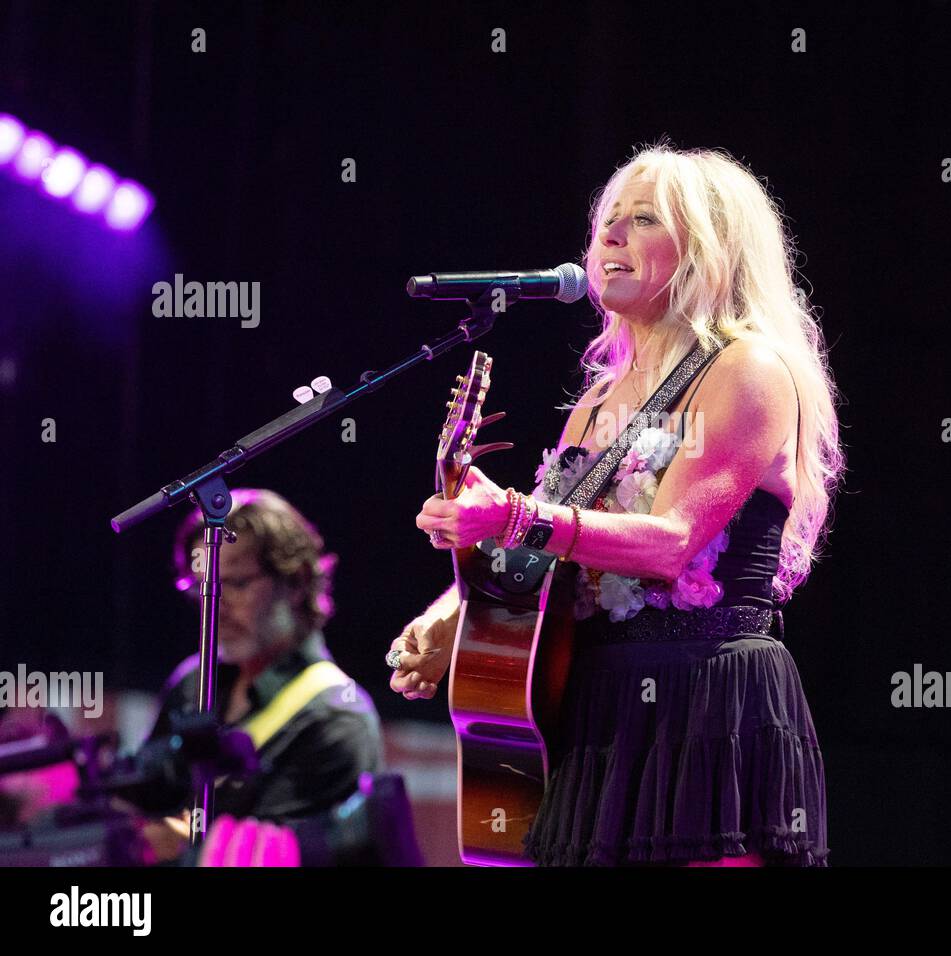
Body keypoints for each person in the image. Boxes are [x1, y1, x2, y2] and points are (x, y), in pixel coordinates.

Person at [391, 143, 845, 867]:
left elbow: (672, 541)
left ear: (710, 251)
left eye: (645, 219)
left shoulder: (747, 370)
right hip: (597, 705)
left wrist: (509, 514)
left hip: (703, 699)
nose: (610, 234)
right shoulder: (600, 400)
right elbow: (547, 550)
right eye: (608, 219)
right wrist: (454, 616)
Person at [142, 489, 382, 861]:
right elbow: (147, 798)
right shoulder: (192, 683)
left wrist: (164, 844)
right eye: (202, 587)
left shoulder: (337, 720)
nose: (215, 606)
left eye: (237, 583)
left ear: (297, 581)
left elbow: (266, 854)